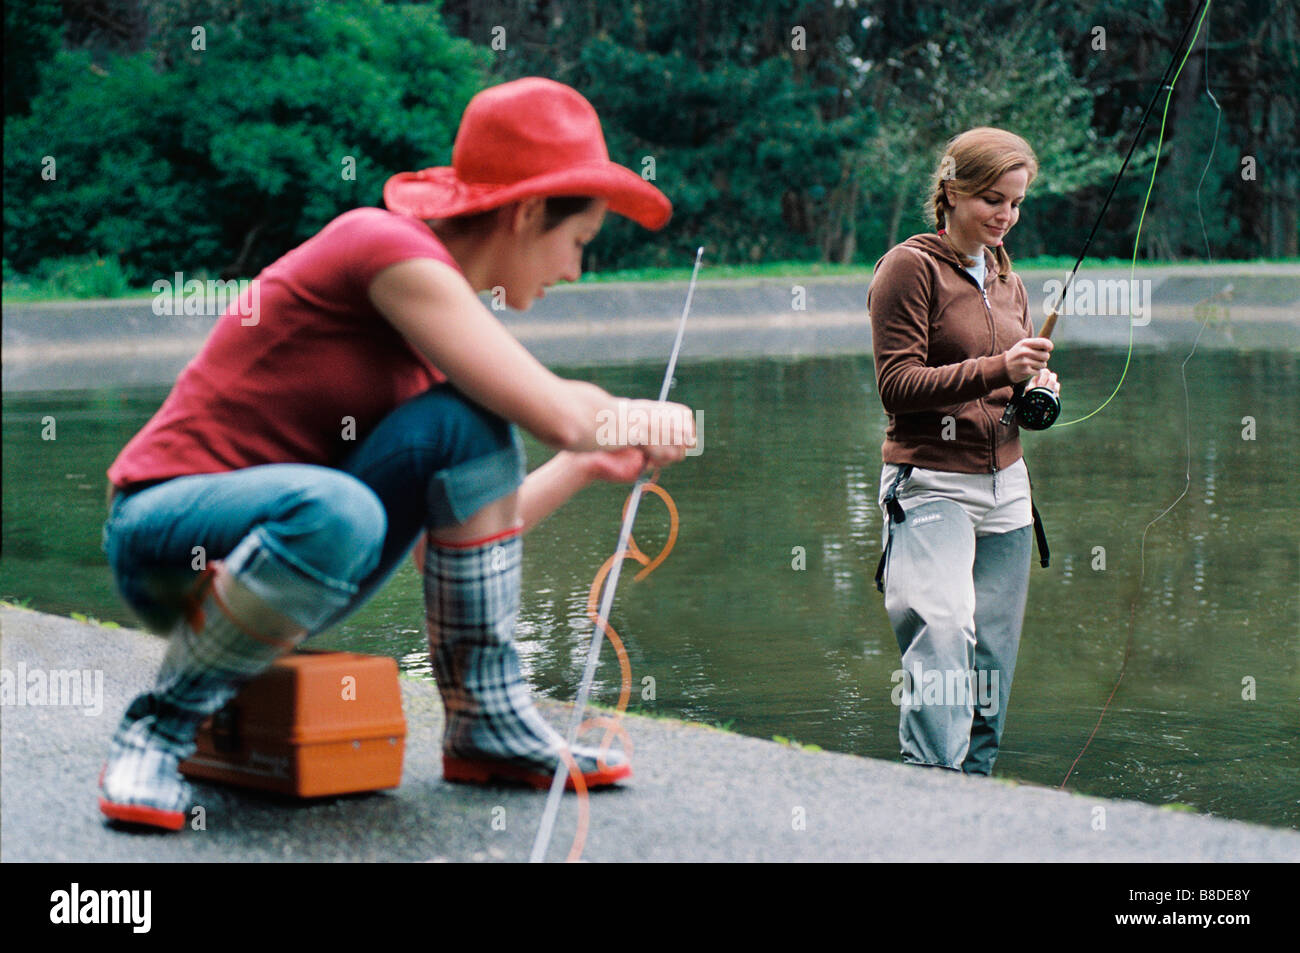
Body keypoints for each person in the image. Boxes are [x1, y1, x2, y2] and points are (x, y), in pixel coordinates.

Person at [98, 77, 696, 830]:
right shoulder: (382, 246)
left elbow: (446, 541)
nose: (574, 271)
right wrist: (627, 417)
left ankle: (487, 723)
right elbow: (555, 409)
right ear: (528, 211)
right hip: (160, 534)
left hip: (282, 558)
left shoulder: (440, 336)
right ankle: (156, 727)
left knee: (470, 426)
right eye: (577, 243)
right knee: (349, 501)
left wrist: (586, 464)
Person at [868, 127, 1059, 776]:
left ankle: (973, 792)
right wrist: (998, 366)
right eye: (993, 200)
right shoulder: (908, 268)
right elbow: (898, 387)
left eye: (1016, 202)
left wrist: (1035, 387)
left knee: (990, 660)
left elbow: (1012, 380)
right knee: (943, 630)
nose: (1007, 215)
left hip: (1007, 488)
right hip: (930, 483)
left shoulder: (1009, 278)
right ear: (951, 192)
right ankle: (931, 788)